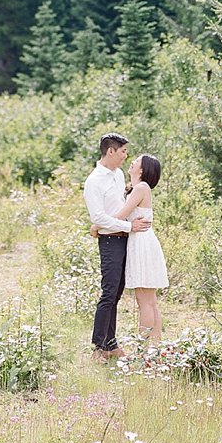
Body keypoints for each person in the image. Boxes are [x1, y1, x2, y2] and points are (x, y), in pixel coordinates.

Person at [82, 133, 150, 361]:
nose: (125, 156)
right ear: (110, 151)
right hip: (110, 240)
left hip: (124, 239)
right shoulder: (94, 181)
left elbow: (118, 205)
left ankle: (111, 344)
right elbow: (99, 217)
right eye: (122, 151)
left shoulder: (118, 175)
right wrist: (127, 226)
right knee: (109, 293)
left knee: (117, 293)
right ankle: (98, 347)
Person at [109, 153, 168, 343]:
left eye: (136, 161)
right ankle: (155, 346)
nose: (132, 162)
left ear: (142, 169)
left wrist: (98, 225)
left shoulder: (141, 188)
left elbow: (119, 216)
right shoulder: (137, 188)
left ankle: (145, 350)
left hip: (141, 243)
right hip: (143, 241)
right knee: (150, 301)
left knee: (145, 302)